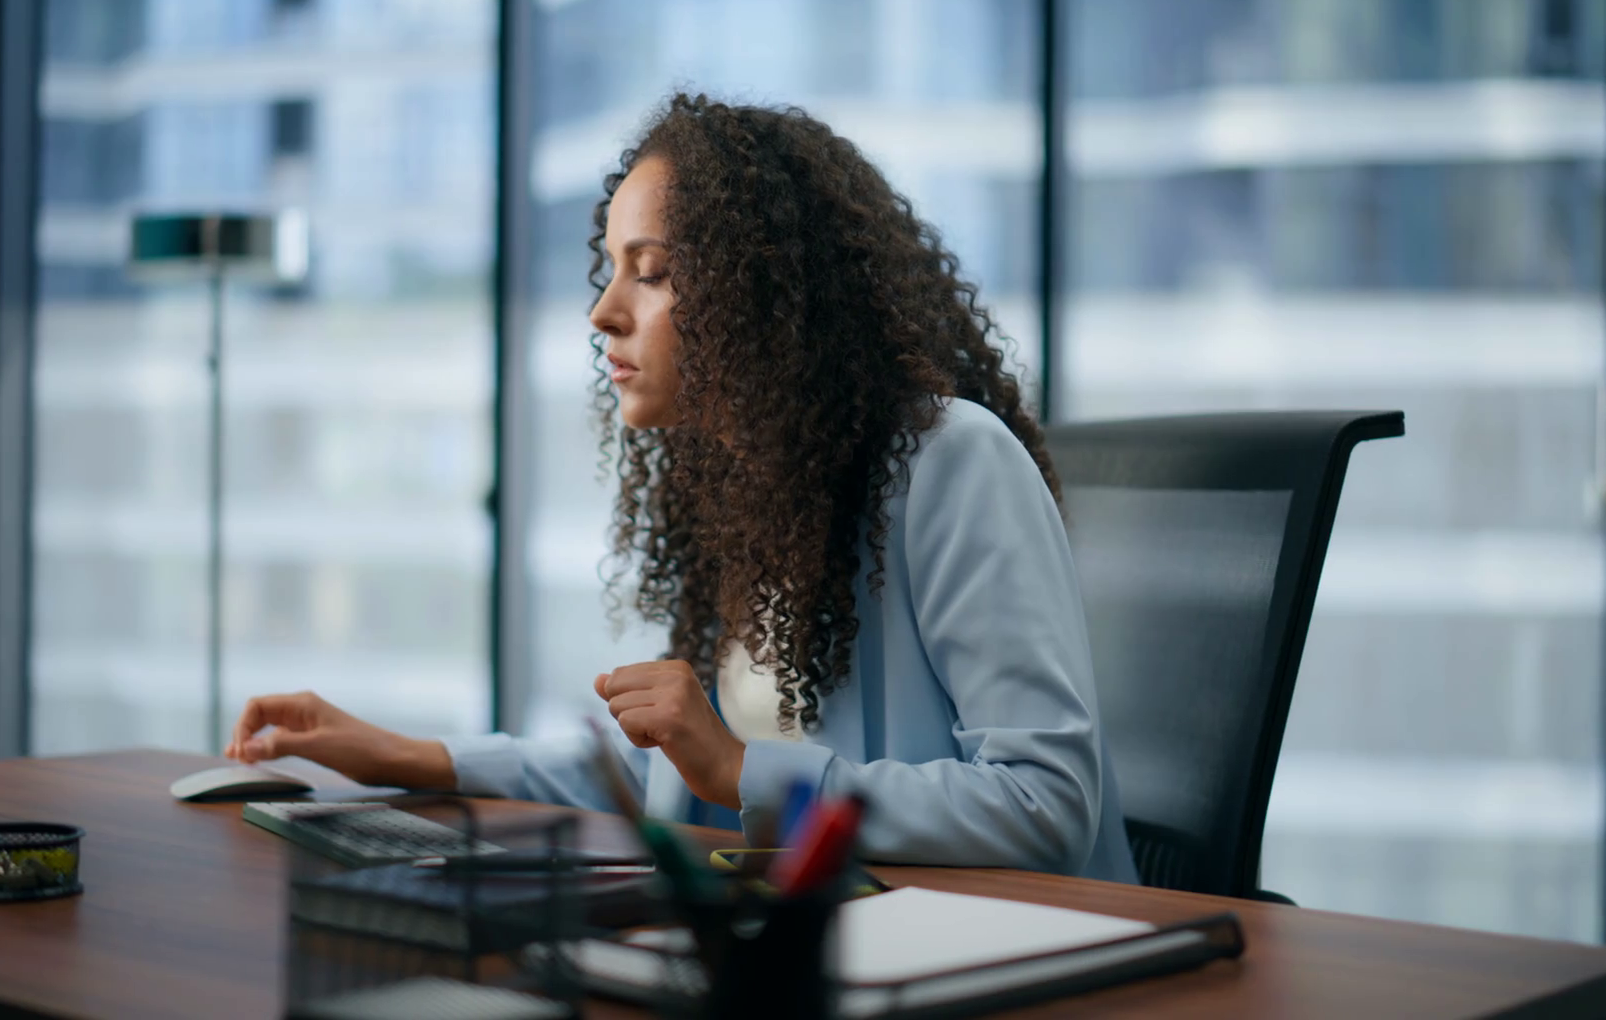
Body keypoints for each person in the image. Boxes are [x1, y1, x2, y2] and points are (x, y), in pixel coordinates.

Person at [227, 93, 1137, 882]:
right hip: (804, 949)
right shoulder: (753, 489)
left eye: (651, 273)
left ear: (761, 293)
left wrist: (741, 768)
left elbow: (1044, 806)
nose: (603, 310)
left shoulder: (948, 461)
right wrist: (404, 755)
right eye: (611, 268)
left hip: (987, 956)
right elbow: (675, 774)